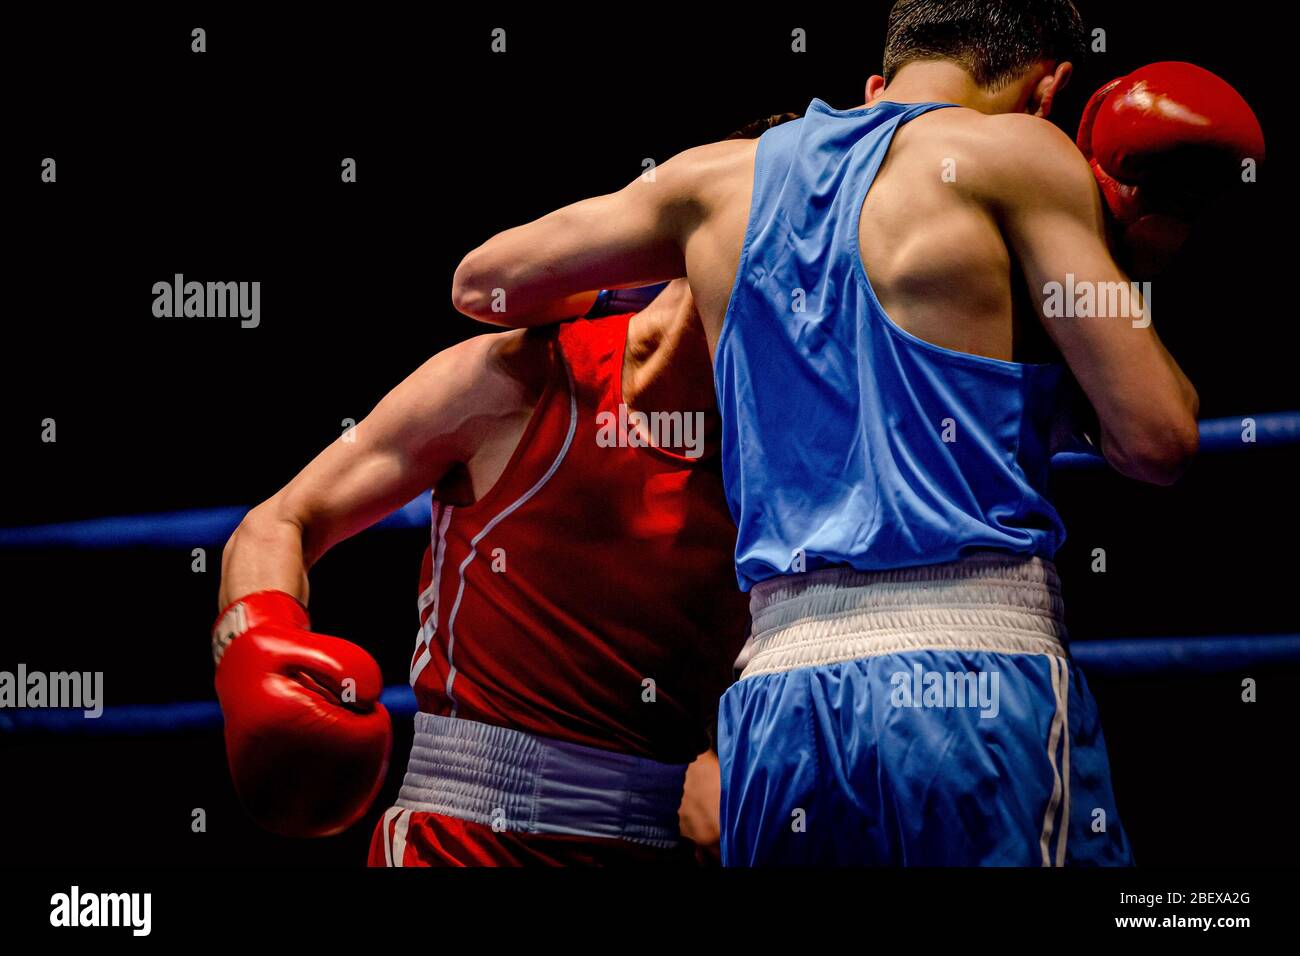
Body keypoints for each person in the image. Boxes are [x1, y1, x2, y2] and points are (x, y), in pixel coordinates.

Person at [451, 1, 1261, 864]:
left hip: (778, 698)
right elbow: (1158, 440)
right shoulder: (1026, 154)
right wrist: (1148, 233)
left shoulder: (714, 182)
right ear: (1050, 88)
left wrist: (696, 279)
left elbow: (485, 281)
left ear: (883, 77)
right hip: (973, 677)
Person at [213, 279, 750, 864]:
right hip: (462, 839)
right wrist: (256, 652)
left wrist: (715, 758)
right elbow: (280, 522)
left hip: (649, 843)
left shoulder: (788, 457)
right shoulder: (522, 378)